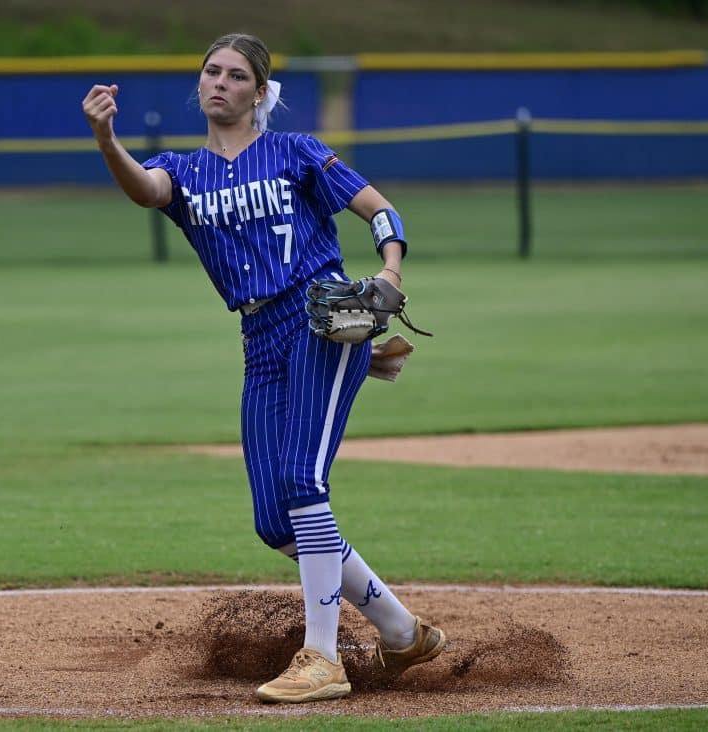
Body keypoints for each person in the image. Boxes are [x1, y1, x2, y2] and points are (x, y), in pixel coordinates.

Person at [82, 32, 445, 704]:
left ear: (259, 92)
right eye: (211, 72)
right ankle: (401, 630)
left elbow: (379, 207)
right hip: (259, 337)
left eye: (236, 75)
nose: (219, 82)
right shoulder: (186, 171)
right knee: (276, 521)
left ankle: (323, 658)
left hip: (321, 316)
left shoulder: (295, 151)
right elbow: (146, 190)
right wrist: (108, 140)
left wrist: (390, 268)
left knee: (304, 480)